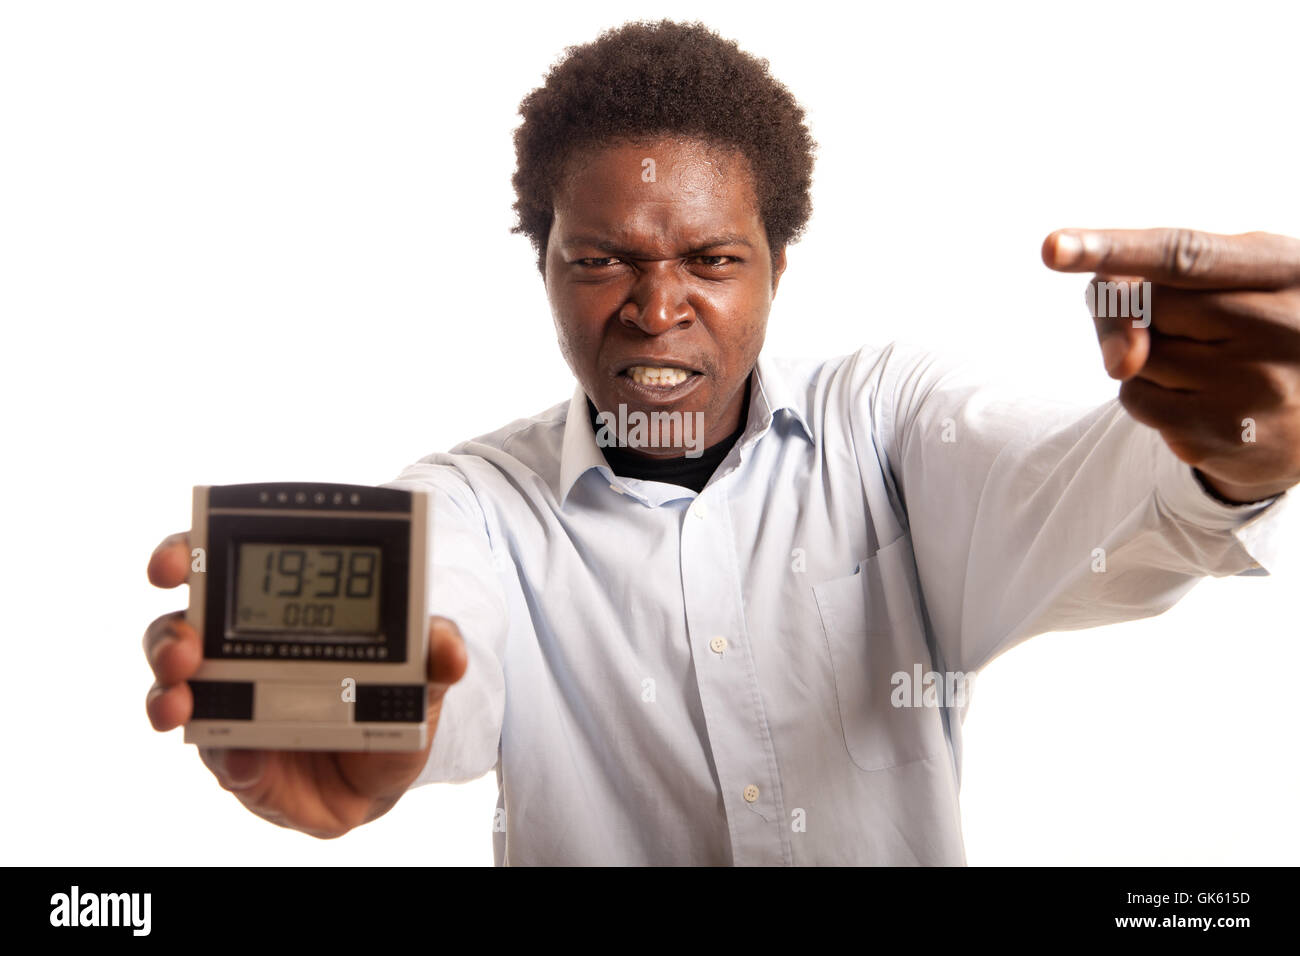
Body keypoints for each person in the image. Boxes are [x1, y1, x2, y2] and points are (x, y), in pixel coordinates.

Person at [143, 19, 1300, 864]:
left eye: (710, 259)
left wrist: (1227, 447)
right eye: (601, 260)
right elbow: (444, 632)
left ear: (776, 265)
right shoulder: (476, 506)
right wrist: (366, 718)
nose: (657, 309)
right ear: (541, 262)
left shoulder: (887, 424)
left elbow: (1075, 489)